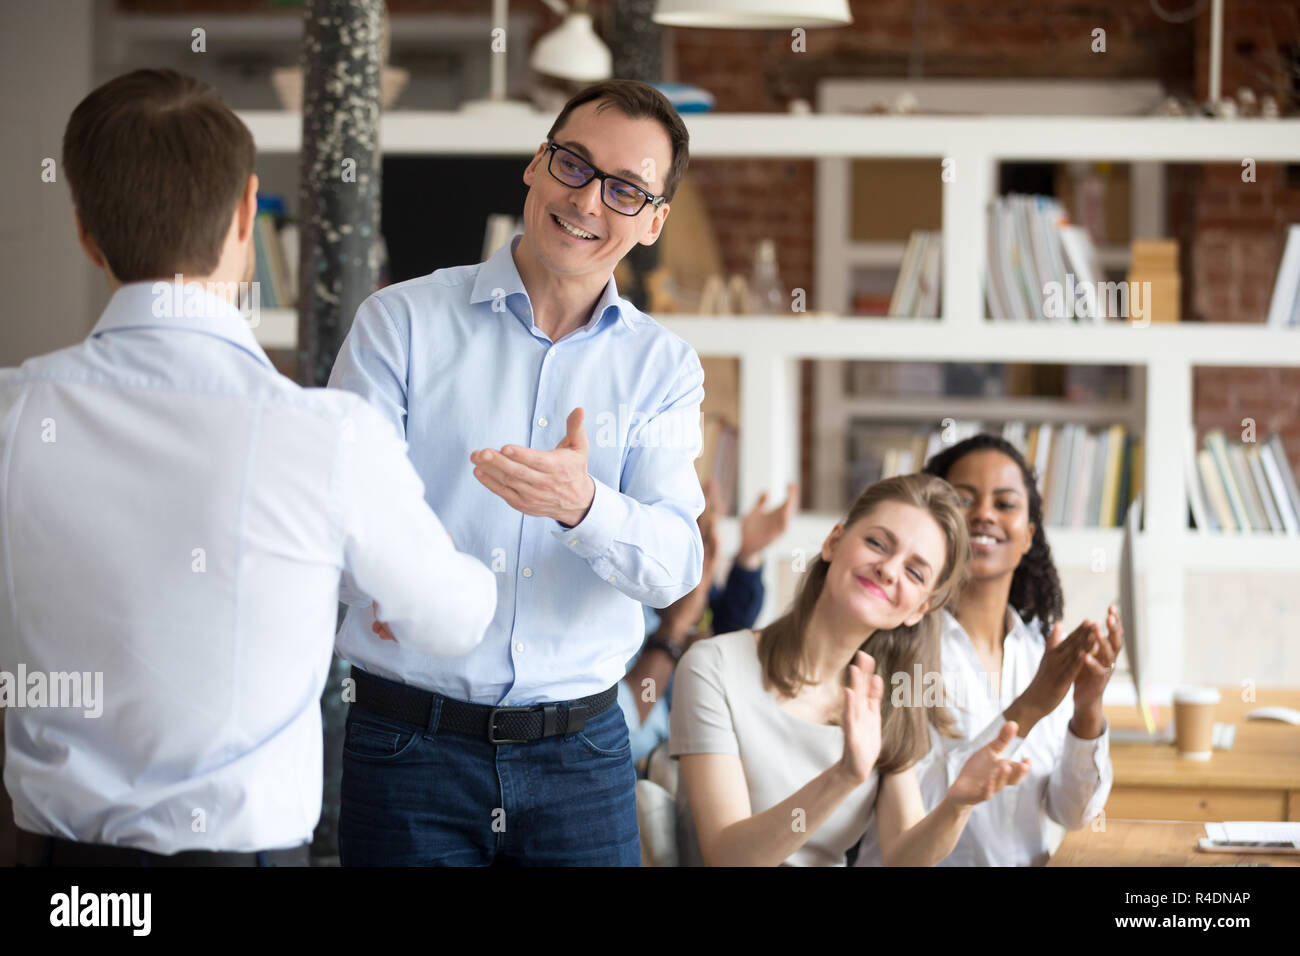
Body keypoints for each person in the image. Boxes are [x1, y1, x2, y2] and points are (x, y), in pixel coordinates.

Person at [0, 69, 496, 867]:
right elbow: (455, 620)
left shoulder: (12, 417)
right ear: (245, 215)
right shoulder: (330, 437)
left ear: (85, 231)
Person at [328, 79, 704, 866]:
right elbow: (333, 516)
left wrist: (587, 506)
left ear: (653, 222)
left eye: (626, 190)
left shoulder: (664, 369)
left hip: (583, 757)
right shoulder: (399, 323)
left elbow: (675, 566)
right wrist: (384, 582)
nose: (589, 200)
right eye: (573, 164)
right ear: (536, 166)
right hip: (408, 744)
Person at [669, 473, 1031, 866]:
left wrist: (957, 806)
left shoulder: (886, 696)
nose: (889, 569)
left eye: (915, 572)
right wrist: (843, 776)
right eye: (877, 543)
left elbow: (901, 858)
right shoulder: (714, 667)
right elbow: (727, 859)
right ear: (834, 542)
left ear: (918, 610)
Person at [856, 434, 1120, 867]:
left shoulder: (1040, 649)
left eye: (1005, 504)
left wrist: (1087, 710)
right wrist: (1031, 705)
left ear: (1028, 534)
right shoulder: (896, 646)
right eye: (963, 500)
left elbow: (1072, 812)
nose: (983, 515)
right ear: (935, 522)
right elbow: (913, 811)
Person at [619, 480, 796, 768]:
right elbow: (623, 721)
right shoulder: (625, 597)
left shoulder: (678, 589)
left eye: (706, 529)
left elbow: (727, 630)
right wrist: (674, 629)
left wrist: (748, 556)